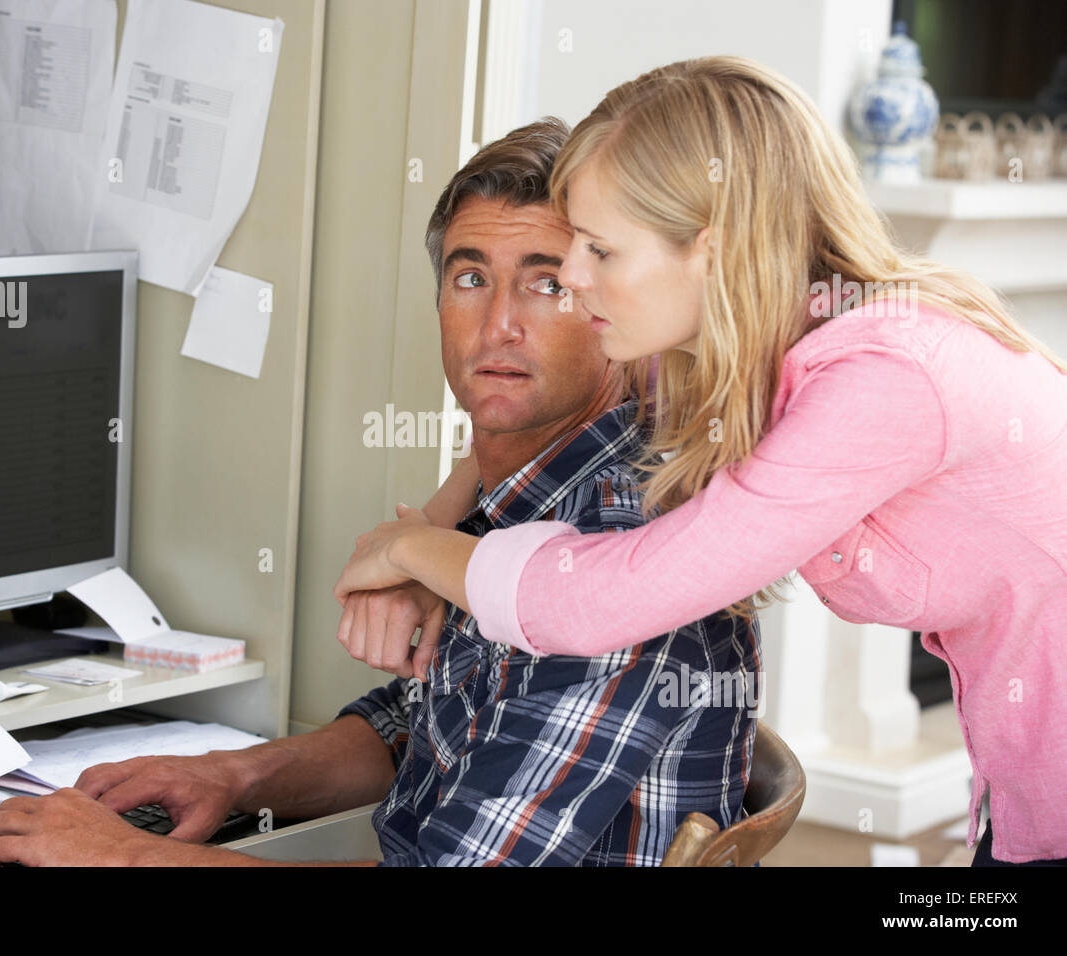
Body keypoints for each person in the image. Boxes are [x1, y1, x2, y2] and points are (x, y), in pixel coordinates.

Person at [332, 56, 1067, 867]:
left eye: (599, 251)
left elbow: (600, 603)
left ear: (710, 250)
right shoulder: (731, 339)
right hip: (1021, 787)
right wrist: (431, 534)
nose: (573, 280)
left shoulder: (884, 382)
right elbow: (518, 426)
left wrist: (402, 550)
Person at [0, 118, 759, 867]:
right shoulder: (513, 501)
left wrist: (123, 856)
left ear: (605, 303)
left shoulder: (611, 565)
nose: (497, 325)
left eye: (545, 285)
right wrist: (233, 774)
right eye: (470, 276)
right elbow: (422, 725)